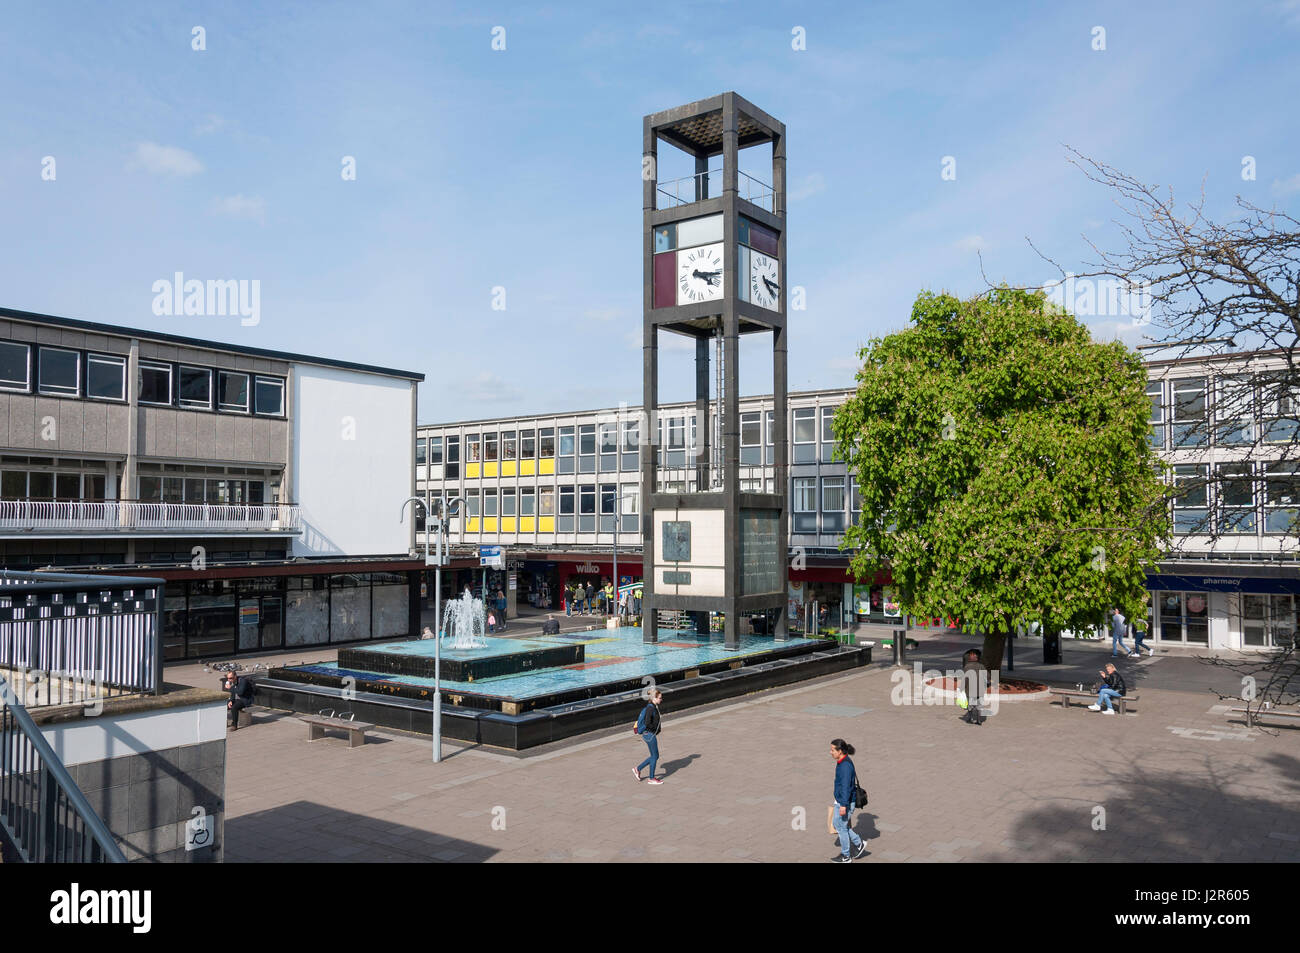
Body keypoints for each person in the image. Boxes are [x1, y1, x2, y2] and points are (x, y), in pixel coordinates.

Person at [829, 738, 867, 862]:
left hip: (844, 802)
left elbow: (846, 787)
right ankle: (859, 843)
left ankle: (846, 856)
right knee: (838, 824)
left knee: (841, 827)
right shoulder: (842, 761)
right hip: (841, 800)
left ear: (840, 751)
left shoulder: (845, 766)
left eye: (833, 750)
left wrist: (843, 805)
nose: (831, 752)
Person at [633, 689, 665, 785]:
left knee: (654, 756)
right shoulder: (651, 708)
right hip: (649, 735)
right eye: (660, 698)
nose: (661, 699)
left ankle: (637, 769)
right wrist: (654, 728)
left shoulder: (652, 706)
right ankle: (651, 778)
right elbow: (647, 723)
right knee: (655, 756)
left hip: (649, 734)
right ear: (654, 698)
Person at [961, 648, 985, 726]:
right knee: (979, 705)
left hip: (970, 690)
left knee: (970, 705)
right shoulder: (981, 666)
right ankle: (979, 720)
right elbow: (987, 676)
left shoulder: (967, 667)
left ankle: (970, 718)